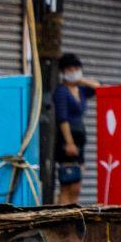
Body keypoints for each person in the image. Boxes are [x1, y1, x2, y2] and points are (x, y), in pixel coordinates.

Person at [51, 52, 99, 205]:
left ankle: (71, 216)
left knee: (76, 186)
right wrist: (69, 142)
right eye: (69, 70)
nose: (73, 73)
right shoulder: (61, 92)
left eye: (76, 69)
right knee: (67, 183)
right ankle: (60, 220)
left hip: (80, 141)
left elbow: (99, 88)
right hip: (67, 141)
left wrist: (81, 80)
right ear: (63, 72)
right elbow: (62, 119)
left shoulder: (81, 90)